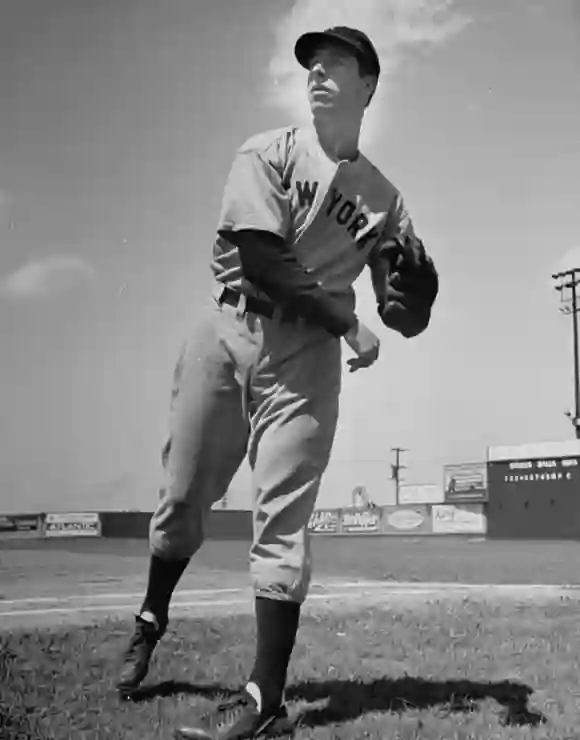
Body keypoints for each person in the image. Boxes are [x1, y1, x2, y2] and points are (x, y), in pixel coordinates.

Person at [116, 25, 438, 740]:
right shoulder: (266, 152)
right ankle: (150, 616)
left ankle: (265, 702)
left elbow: (399, 302)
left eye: (339, 64)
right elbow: (261, 260)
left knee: (282, 518)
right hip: (229, 332)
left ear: (368, 86)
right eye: (313, 64)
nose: (320, 73)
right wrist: (351, 323)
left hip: (307, 362)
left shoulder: (384, 197)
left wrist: (413, 295)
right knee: (181, 500)